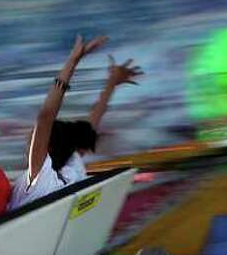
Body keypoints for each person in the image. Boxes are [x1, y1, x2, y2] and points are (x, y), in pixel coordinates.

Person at [10, 38, 143, 209]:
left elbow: (45, 117)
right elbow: (91, 126)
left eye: (31, 143)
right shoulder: (73, 169)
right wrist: (112, 83)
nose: (28, 147)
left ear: (47, 150)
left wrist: (73, 61)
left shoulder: (40, 175)